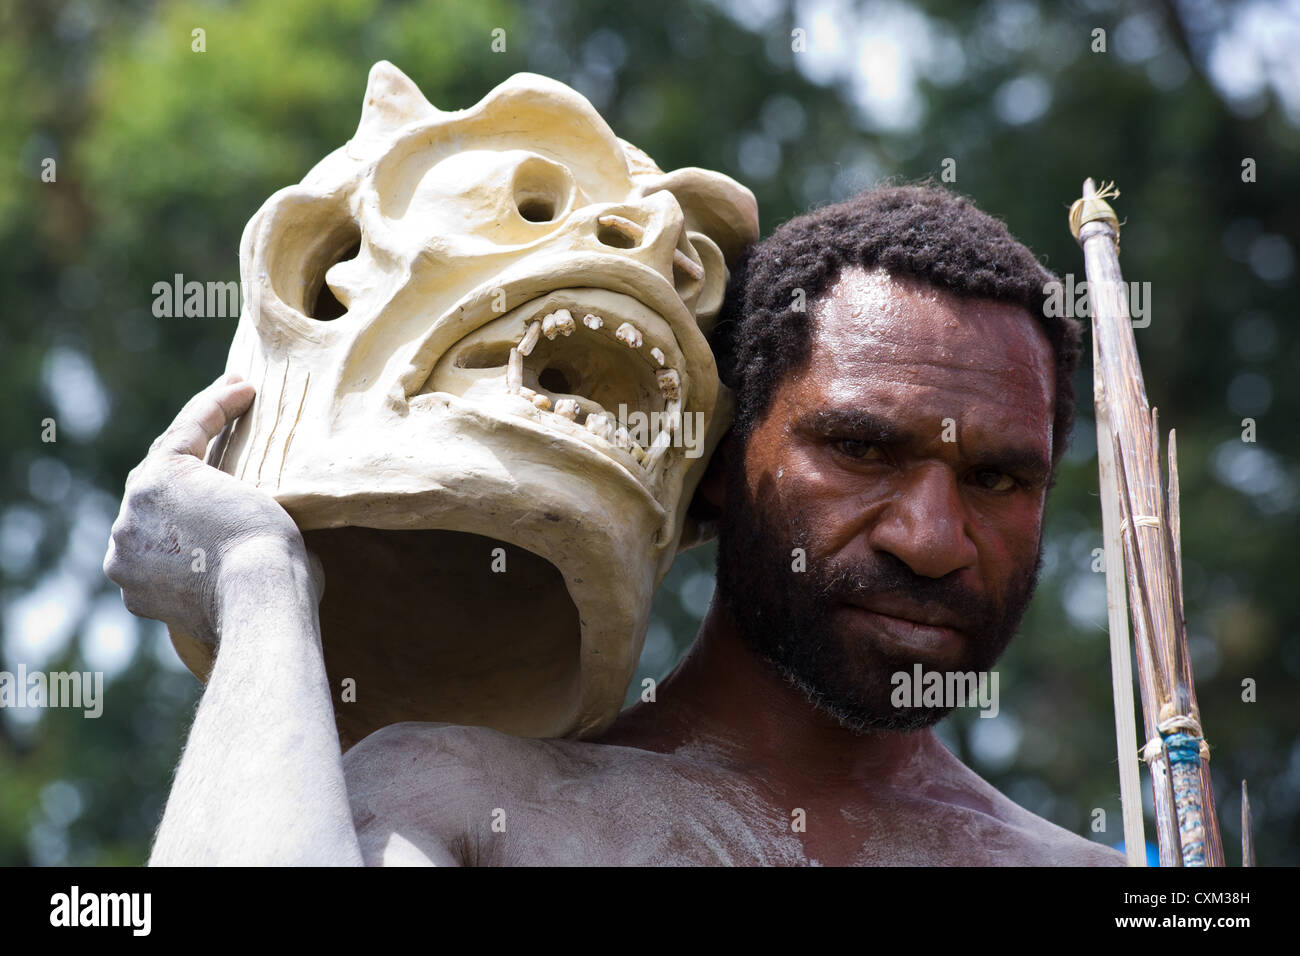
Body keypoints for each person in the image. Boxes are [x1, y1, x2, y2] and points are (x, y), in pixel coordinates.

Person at [105, 183, 1124, 865]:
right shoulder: (465, 807)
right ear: (719, 465)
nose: (933, 537)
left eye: (996, 477)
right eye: (861, 449)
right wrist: (255, 578)